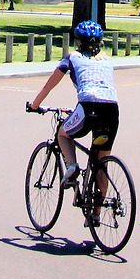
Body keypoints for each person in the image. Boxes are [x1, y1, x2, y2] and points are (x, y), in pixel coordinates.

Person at [26, 20, 119, 191]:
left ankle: (72, 166)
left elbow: (48, 86)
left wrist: (34, 105)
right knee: (101, 164)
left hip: (89, 106)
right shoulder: (107, 59)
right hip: (112, 110)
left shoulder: (71, 58)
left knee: (63, 134)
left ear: (77, 41)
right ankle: (96, 217)